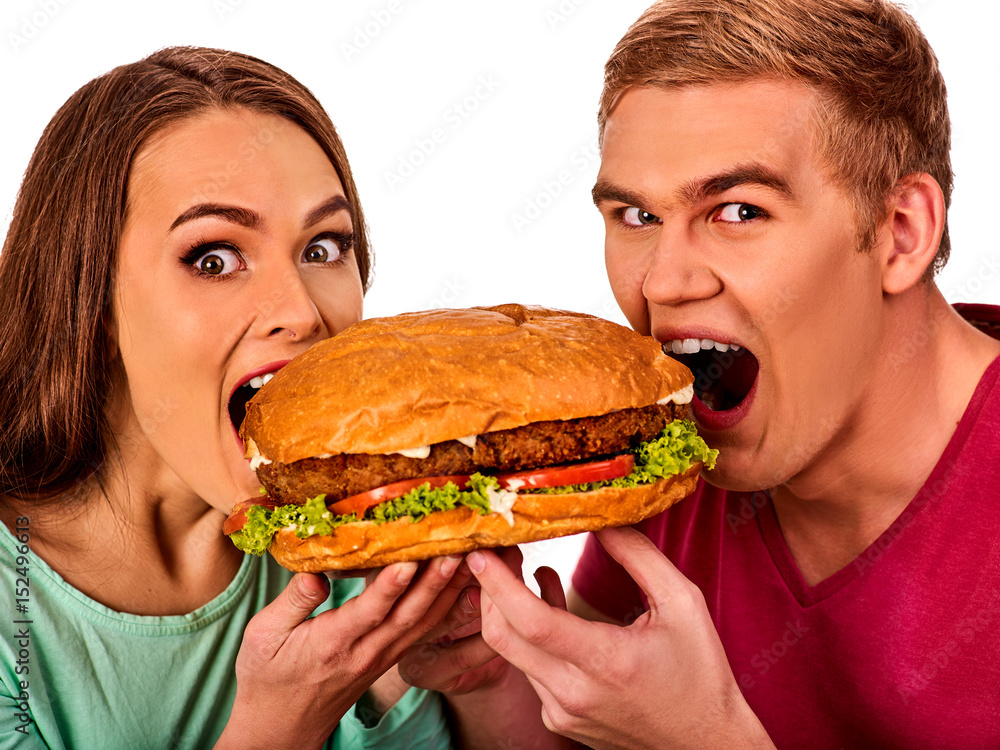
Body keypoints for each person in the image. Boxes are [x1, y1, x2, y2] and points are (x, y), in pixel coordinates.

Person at [402, 1, 1000, 747]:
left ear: (901, 232)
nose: (661, 284)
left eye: (739, 211)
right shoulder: (674, 460)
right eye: (637, 217)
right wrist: (490, 675)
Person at [0, 46, 473, 749]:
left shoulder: (359, 556)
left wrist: (489, 675)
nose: (303, 312)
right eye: (213, 257)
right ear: (87, 300)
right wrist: (279, 727)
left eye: (323, 247)